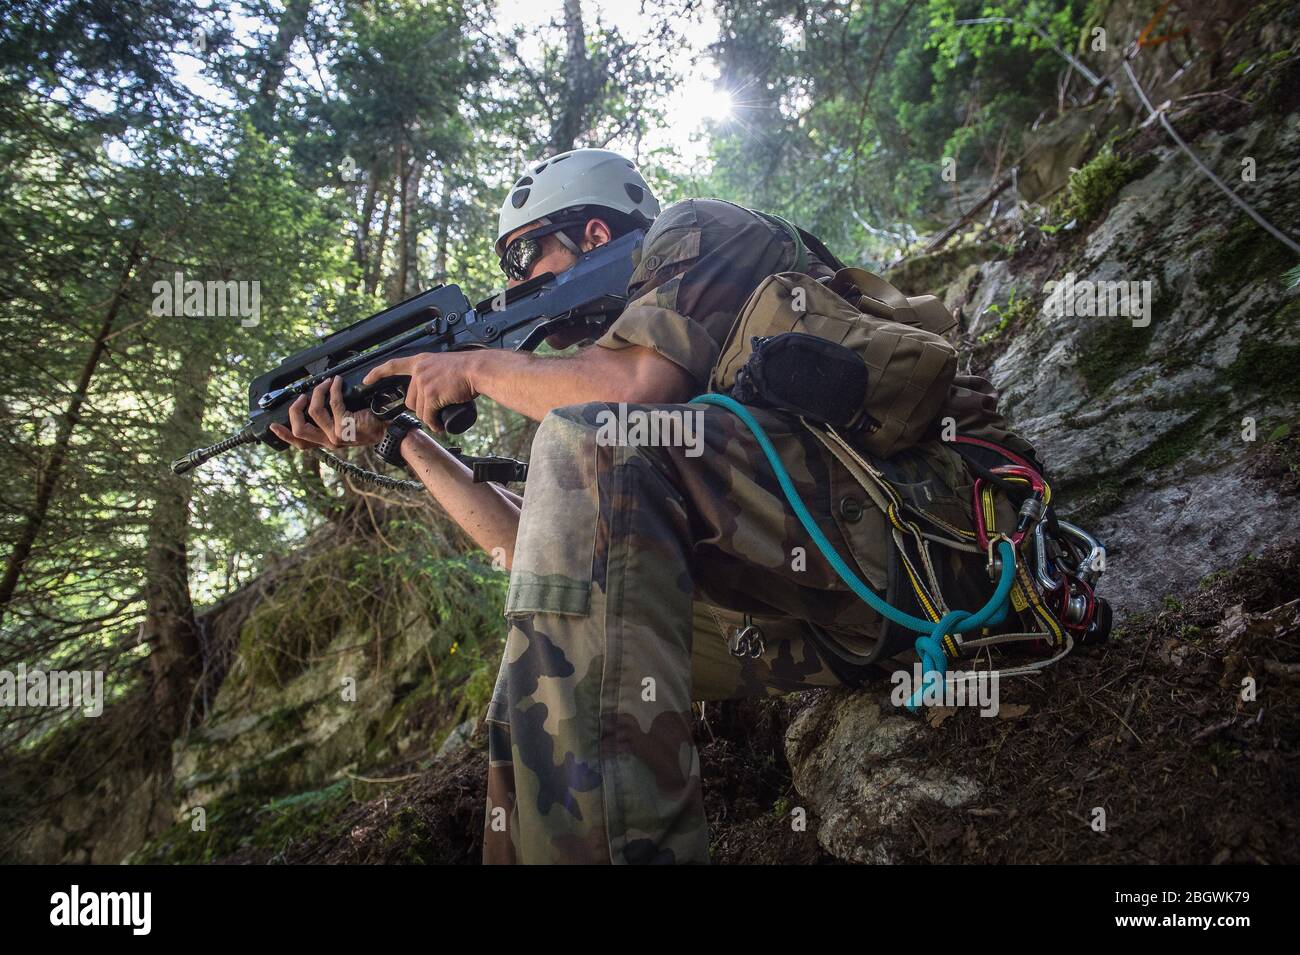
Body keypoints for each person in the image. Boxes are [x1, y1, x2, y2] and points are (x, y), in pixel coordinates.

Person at [269, 147, 989, 864]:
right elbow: (535, 558)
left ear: (592, 234)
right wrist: (398, 438)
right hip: (837, 612)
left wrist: (477, 365)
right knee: (541, 646)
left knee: (591, 438)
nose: (516, 287)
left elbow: (635, 396)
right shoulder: (608, 383)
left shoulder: (696, 229)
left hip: (941, 541)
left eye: (525, 257)